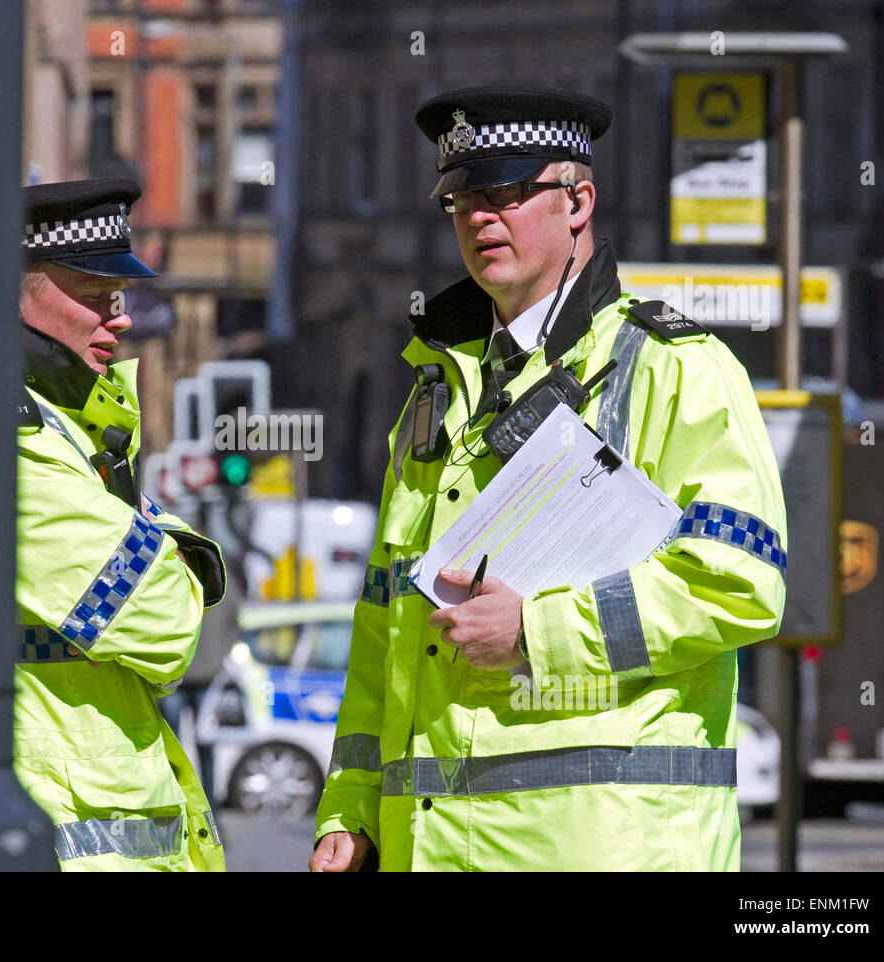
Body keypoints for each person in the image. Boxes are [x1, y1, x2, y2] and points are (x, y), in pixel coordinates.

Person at [311, 86, 787, 872]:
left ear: (578, 202)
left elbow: (742, 581)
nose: (477, 217)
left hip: (604, 851)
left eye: (505, 193)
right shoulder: (431, 395)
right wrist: (351, 805)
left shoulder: (676, 369)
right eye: (461, 198)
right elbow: (382, 627)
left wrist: (537, 633)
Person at [0, 178, 228, 871]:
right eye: (90, 297)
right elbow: (170, 626)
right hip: (39, 835)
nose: (116, 319)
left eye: (116, 298)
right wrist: (165, 546)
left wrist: (144, 534)